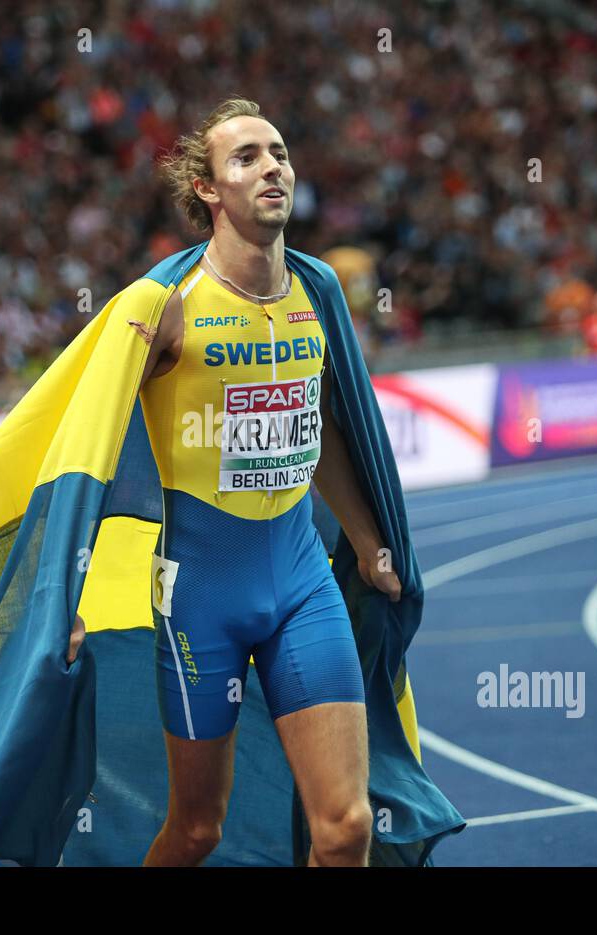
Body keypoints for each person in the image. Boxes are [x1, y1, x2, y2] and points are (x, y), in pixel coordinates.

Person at [70, 98, 403, 867]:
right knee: (196, 830)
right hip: (201, 600)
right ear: (210, 191)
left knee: (347, 827)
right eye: (246, 157)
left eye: (279, 152)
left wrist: (365, 543)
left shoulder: (315, 296)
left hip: (300, 583)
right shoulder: (168, 309)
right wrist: (64, 593)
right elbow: (91, 450)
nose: (272, 167)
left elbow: (317, 434)